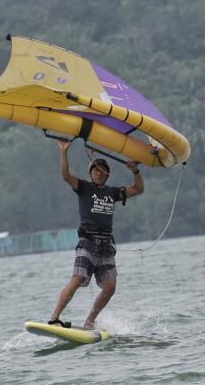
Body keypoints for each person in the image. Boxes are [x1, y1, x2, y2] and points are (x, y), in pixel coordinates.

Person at [48, 139, 144, 329]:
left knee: (110, 287)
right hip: (87, 242)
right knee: (76, 280)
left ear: (107, 175)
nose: (98, 173)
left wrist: (135, 170)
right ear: (91, 173)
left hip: (106, 246)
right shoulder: (84, 187)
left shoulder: (113, 192)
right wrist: (63, 151)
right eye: (95, 170)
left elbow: (139, 189)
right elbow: (65, 175)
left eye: (101, 171)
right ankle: (54, 317)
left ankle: (90, 321)